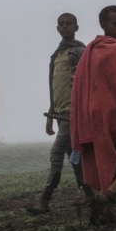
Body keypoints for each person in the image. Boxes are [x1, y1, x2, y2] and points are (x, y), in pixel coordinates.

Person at [69, 5, 116, 225]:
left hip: (94, 115)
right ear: (103, 24)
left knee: (106, 160)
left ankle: (106, 210)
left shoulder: (92, 49)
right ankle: (106, 198)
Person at [27, 13, 86, 214]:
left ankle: (44, 199)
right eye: (61, 24)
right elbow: (54, 86)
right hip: (60, 113)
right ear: (57, 28)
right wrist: (51, 116)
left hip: (74, 113)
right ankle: (88, 193)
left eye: (69, 24)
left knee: (56, 153)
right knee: (73, 154)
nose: (65, 27)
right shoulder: (57, 54)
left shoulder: (80, 51)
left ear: (76, 27)